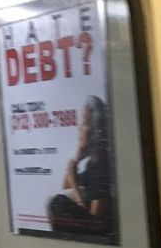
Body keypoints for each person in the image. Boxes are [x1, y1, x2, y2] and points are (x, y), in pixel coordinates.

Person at [48, 96, 114, 237]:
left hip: (99, 234)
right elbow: (66, 186)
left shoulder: (101, 167)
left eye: (84, 122)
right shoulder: (92, 163)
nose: (80, 128)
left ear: (95, 129)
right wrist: (77, 159)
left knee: (58, 203)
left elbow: (95, 223)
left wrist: (73, 178)